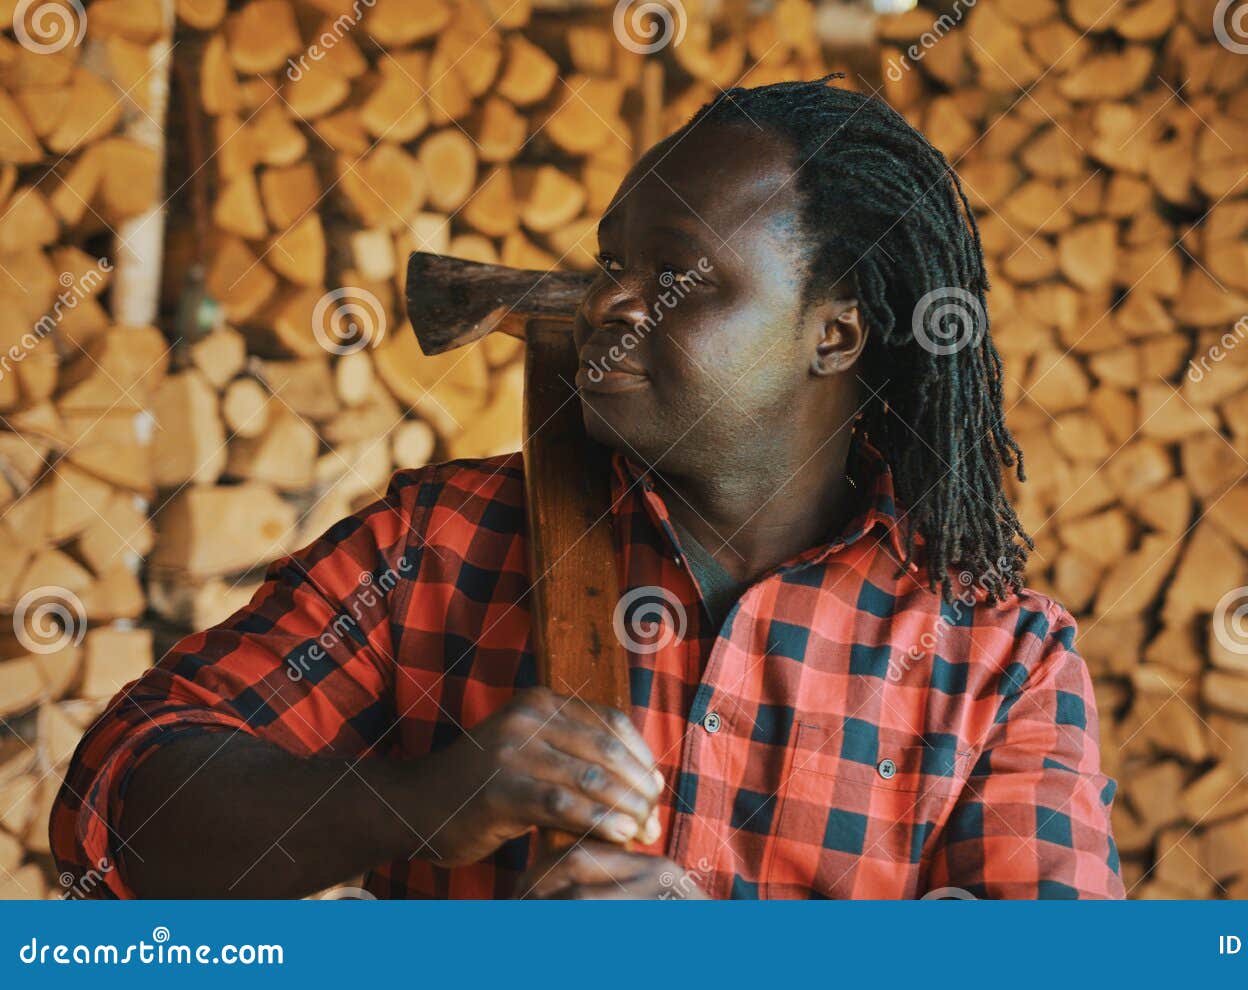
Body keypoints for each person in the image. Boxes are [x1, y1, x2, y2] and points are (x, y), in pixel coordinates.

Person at [51, 76, 1122, 899]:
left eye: (678, 279)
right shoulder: (439, 550)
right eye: (611, 262)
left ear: (832, 334)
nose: (612, 301)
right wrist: (423, 801)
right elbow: (119, 802)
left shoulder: (998, 663)